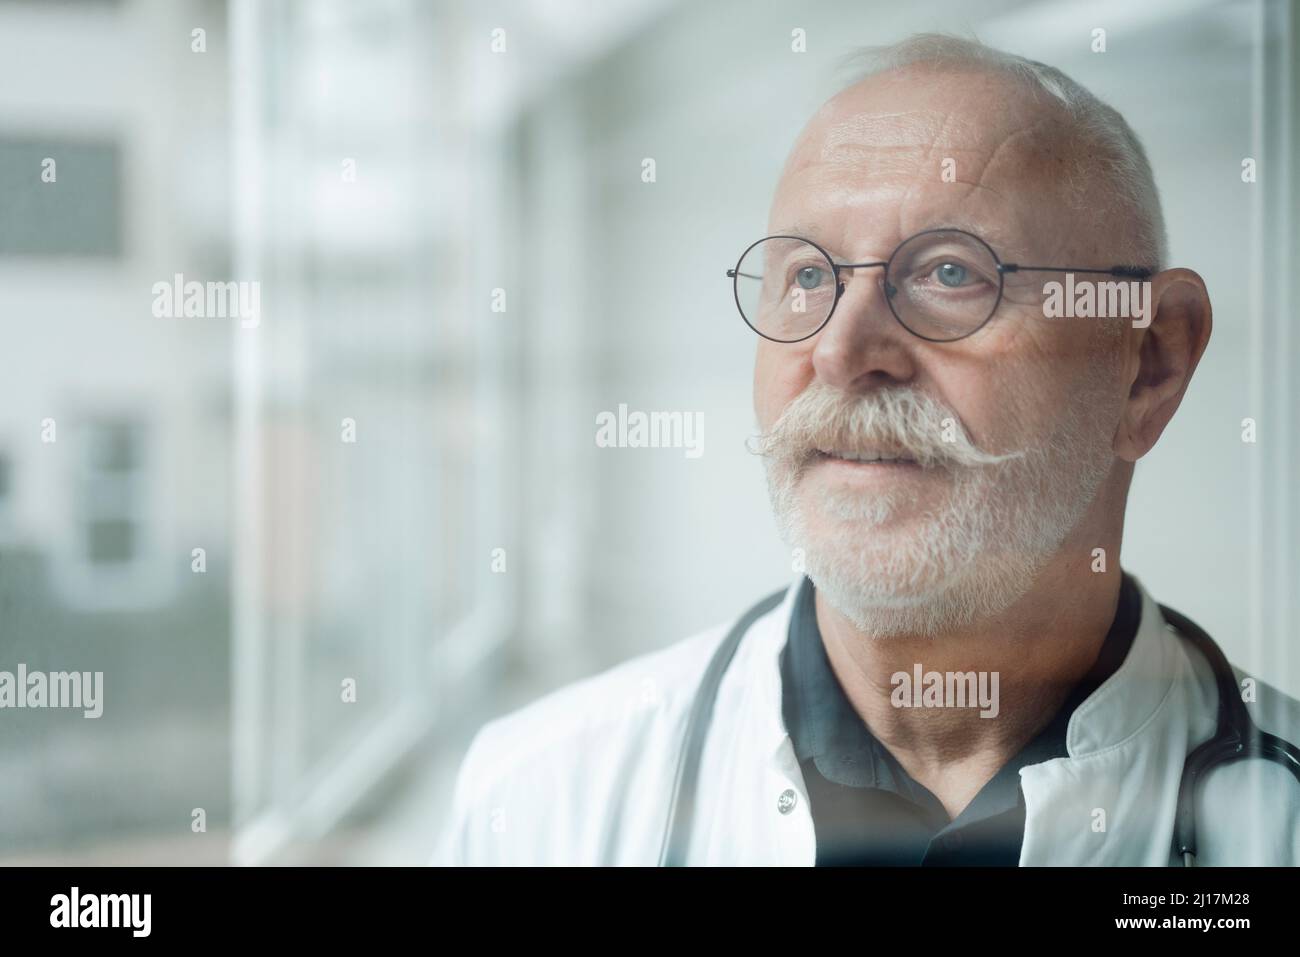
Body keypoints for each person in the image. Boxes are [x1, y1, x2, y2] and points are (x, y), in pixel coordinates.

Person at [431, 34, 1300, 866]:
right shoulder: (536, 802)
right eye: (808, 275)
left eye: (951, 272)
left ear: (1148, 363)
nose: (842, 352)